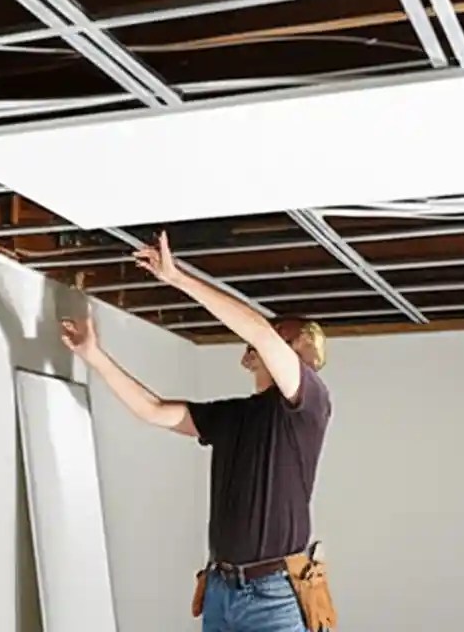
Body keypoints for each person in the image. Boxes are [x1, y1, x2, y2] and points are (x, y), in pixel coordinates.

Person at [61, 231, 334, 632]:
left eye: (283, 338)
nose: (266, 341)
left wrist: (179, 279)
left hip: (275, 596)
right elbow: (153, 410)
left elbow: (259, 331)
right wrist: (94, 356)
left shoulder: (307, 405)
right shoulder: (234, 417)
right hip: (221, 589)